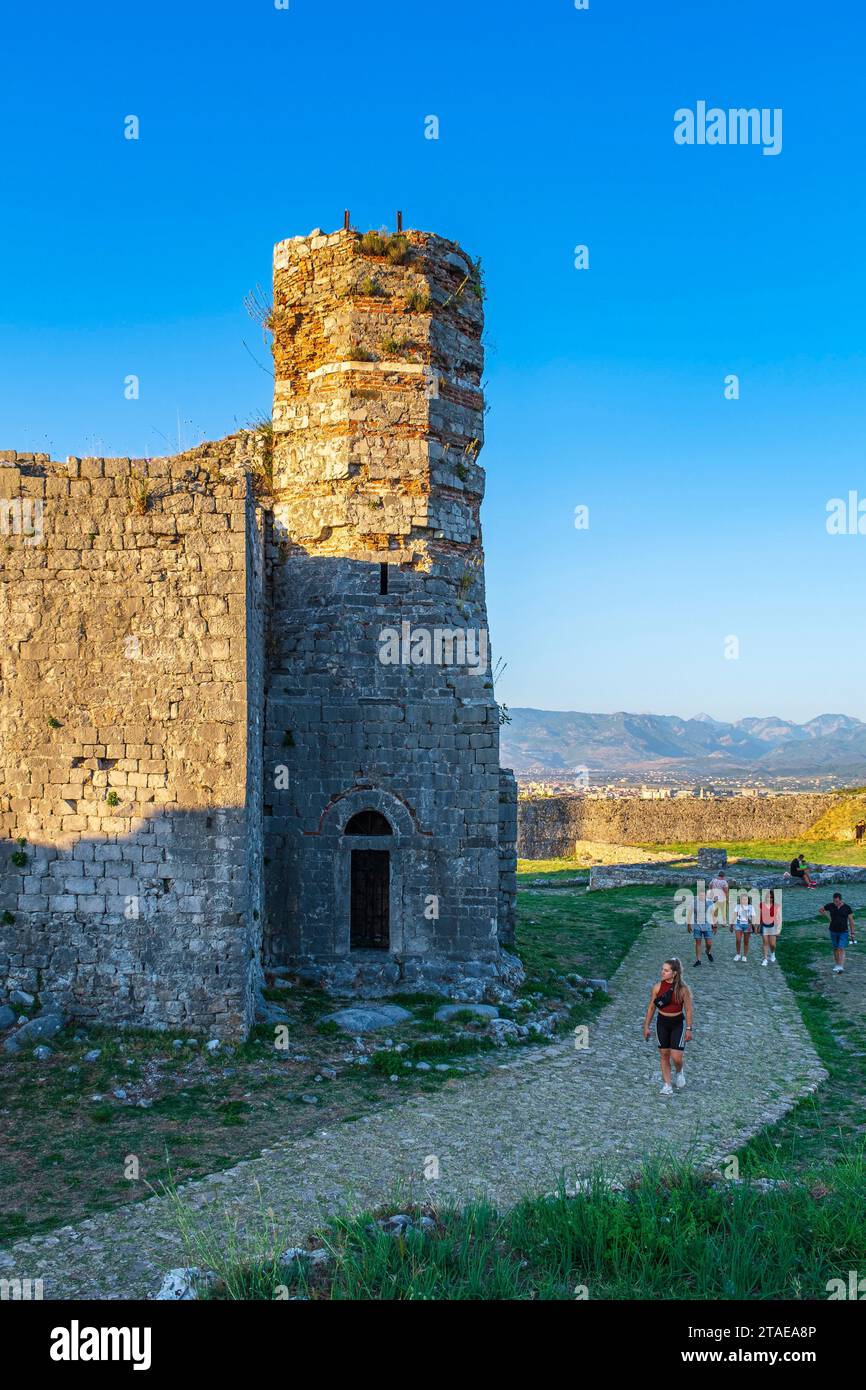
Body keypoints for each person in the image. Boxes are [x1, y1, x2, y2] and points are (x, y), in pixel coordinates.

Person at [643, 957, 693, 1096]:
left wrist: (689, 1028)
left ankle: (679, 1071)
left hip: (677, 1023)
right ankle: (667, 1085)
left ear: (674, 973)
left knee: (676, 1057)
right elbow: (651, 1008)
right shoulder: (657, 987)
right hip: (662, 1023)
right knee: (664, 1055)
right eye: (662, 970)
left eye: (666, 970)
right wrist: (646, 1026)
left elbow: (688, 1010)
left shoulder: (683, 990)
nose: (662, 972)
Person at [819, 893, 856, 974]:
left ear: (840, 900)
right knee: (835, 948)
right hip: (833, 931)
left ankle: (840, 966)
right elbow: (821, 910)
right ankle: (837, 964)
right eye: (834, 901)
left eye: (837, 901)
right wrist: (828, 917)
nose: (835, 903)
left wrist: (852, 932)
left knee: (841, 948)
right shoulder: (830, 905)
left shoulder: (847, 908)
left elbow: (851, 921)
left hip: (844, 931)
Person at [687, 890, 716, 965]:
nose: (702, 897)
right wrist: (689, 924)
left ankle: (708, 951)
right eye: (700, 895)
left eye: (703, 895)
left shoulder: (710, 903)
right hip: (697, 925)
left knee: (709, 944)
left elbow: (713, 914)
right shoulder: (694, 903)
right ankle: (698, 960)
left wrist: (714, 925)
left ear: (706, 895)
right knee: (698, 942)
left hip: (708, 925)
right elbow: (689, 913)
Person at [732, 891, 757, 961]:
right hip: (738, 924)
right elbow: (734, 915)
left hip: (747, 925)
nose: (744, 901)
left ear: (748, 900)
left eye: (745, 899)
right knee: (738, 940)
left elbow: (754, 917)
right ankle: (738, 954)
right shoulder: (737, 906)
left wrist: (754, 926)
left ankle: (745, 956)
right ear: (740, 900)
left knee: (746, 941)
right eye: (742, 899)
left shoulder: (751, 907)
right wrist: (731, 924)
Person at [759, 889, 782, 966]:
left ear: (773, 898)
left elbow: (779, 918)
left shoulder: (777, 906)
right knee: (765, 943)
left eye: (771, 897)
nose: (770, 898)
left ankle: (773, 953)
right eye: (768, 897)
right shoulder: (761, 905)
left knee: (772, 944)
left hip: (773, 926)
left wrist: (779, 929)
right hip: (764, 926)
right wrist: (756, 926)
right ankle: (765, 959)